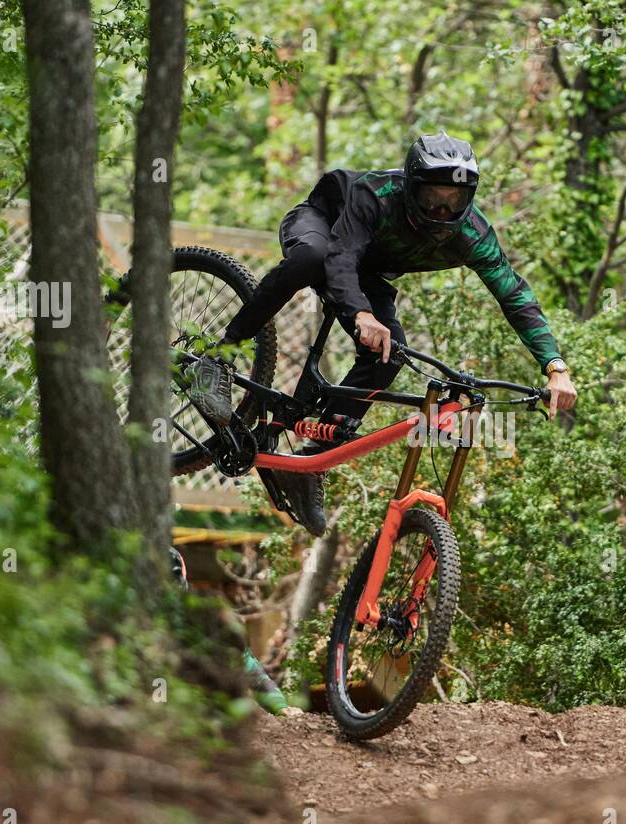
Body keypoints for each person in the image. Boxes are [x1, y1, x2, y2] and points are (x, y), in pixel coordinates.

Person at [192, 131, 577, 535]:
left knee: (391, 354)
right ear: (412, 189)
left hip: (368, 269)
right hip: (326, 228)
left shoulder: (474, 235)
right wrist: (360, 314)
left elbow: (514, 294)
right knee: (311, 258)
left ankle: (311, 463)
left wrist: (554, 365)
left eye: (455, 201)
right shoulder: (375, 194)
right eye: (433, 198)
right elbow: (341, 256)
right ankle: (214, 358)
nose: (444, 211)